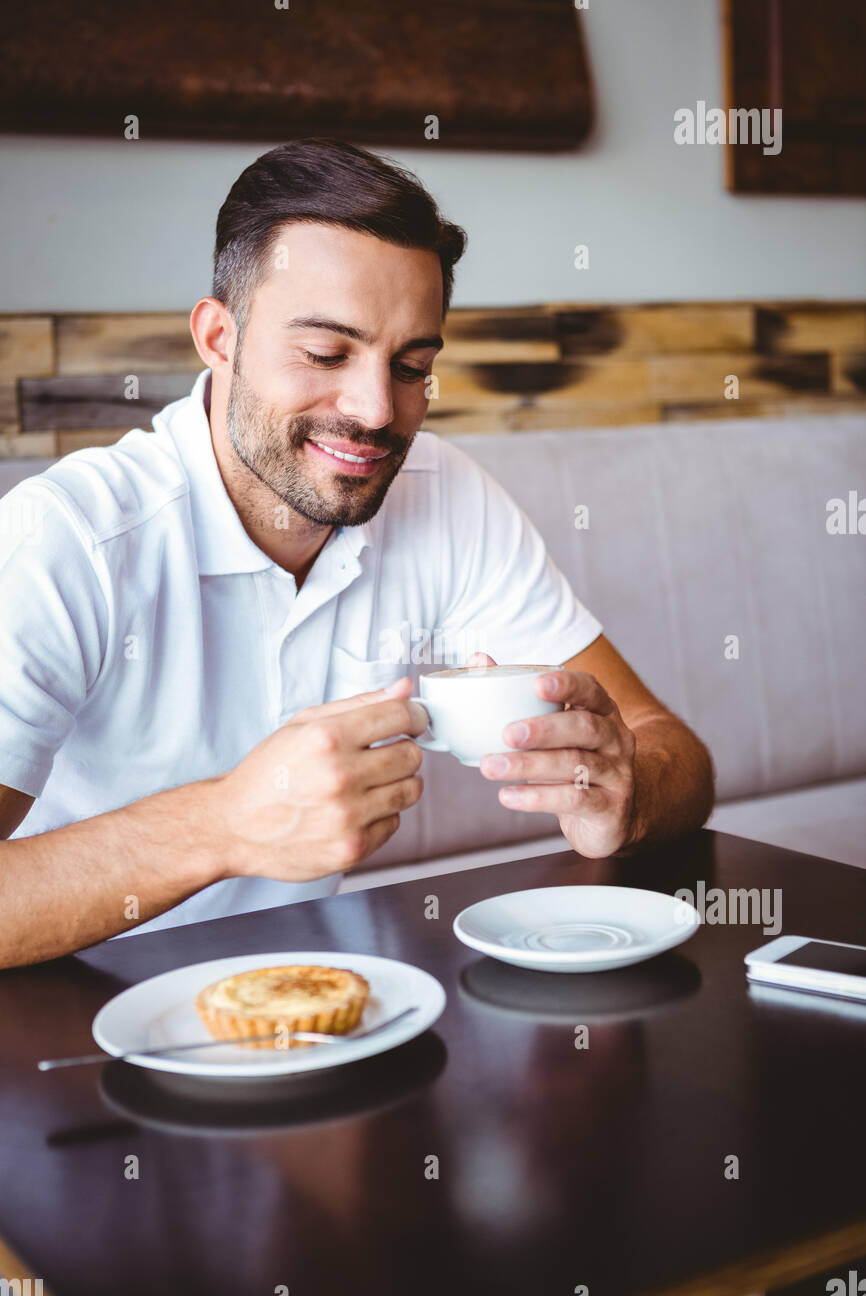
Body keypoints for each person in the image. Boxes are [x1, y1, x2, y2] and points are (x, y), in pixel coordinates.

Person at [0, 138, 714, 969]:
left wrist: (626, 794)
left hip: (311, 1009)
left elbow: (672, 750)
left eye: (412, 366)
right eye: (325, 354)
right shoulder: (68, 541)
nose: (377, 411)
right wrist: (227, 822)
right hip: (60, 1037)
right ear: (218, 337)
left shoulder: (447, 497)